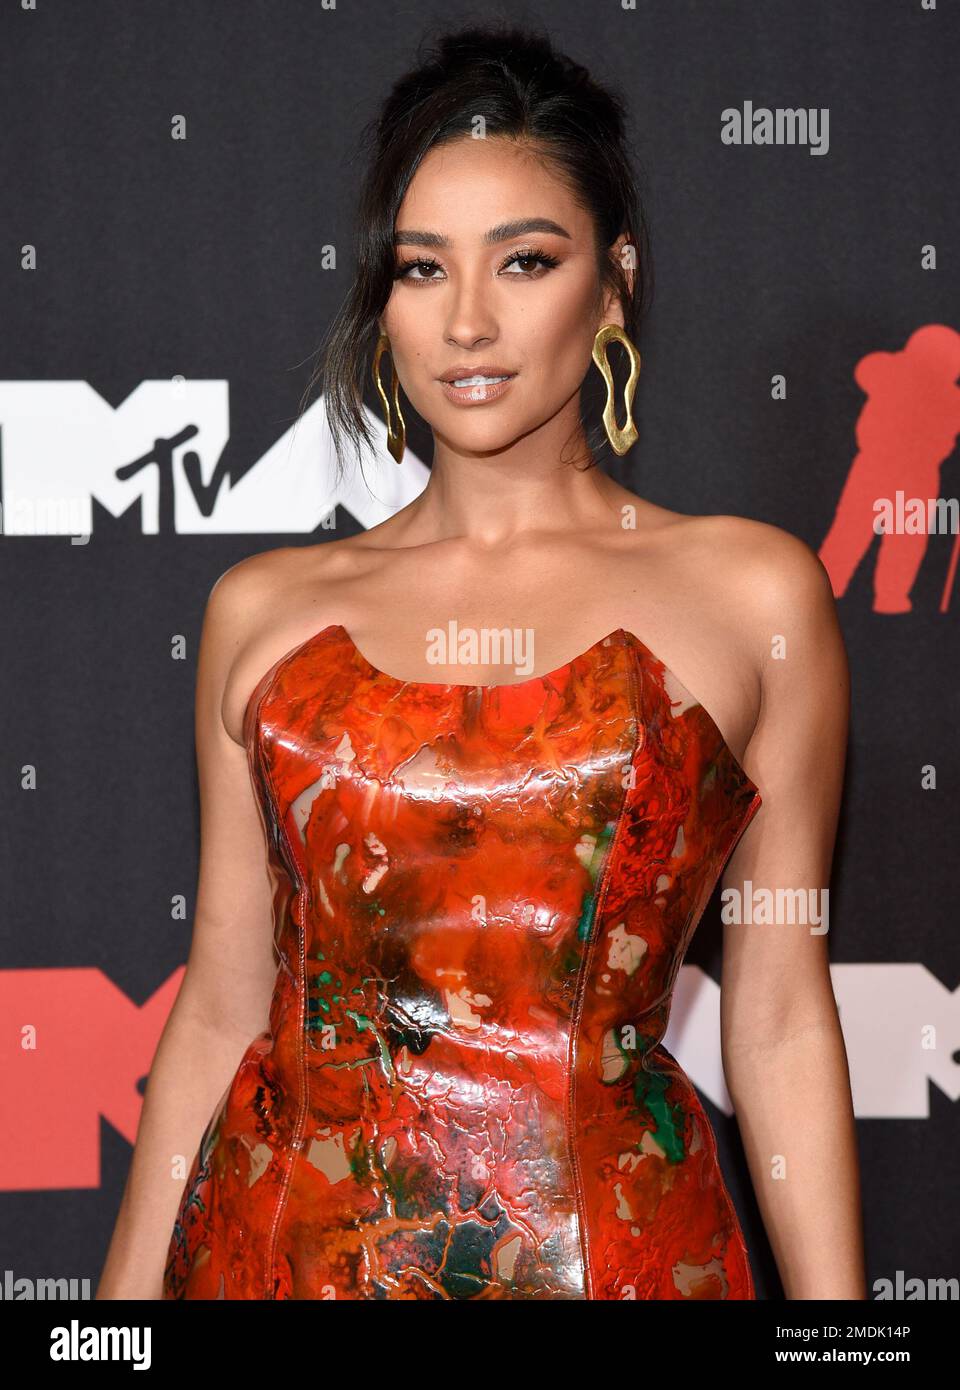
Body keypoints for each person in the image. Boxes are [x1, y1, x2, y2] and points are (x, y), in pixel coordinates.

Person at [97, 22, 862, 1300]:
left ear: (613, 283)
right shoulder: (266, 613)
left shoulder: (755, 594)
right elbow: (226, 1004)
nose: (466, 320)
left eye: (524, 261)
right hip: (282, 1258)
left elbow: (778, 1012)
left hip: (610, 1261)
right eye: (420, 268)